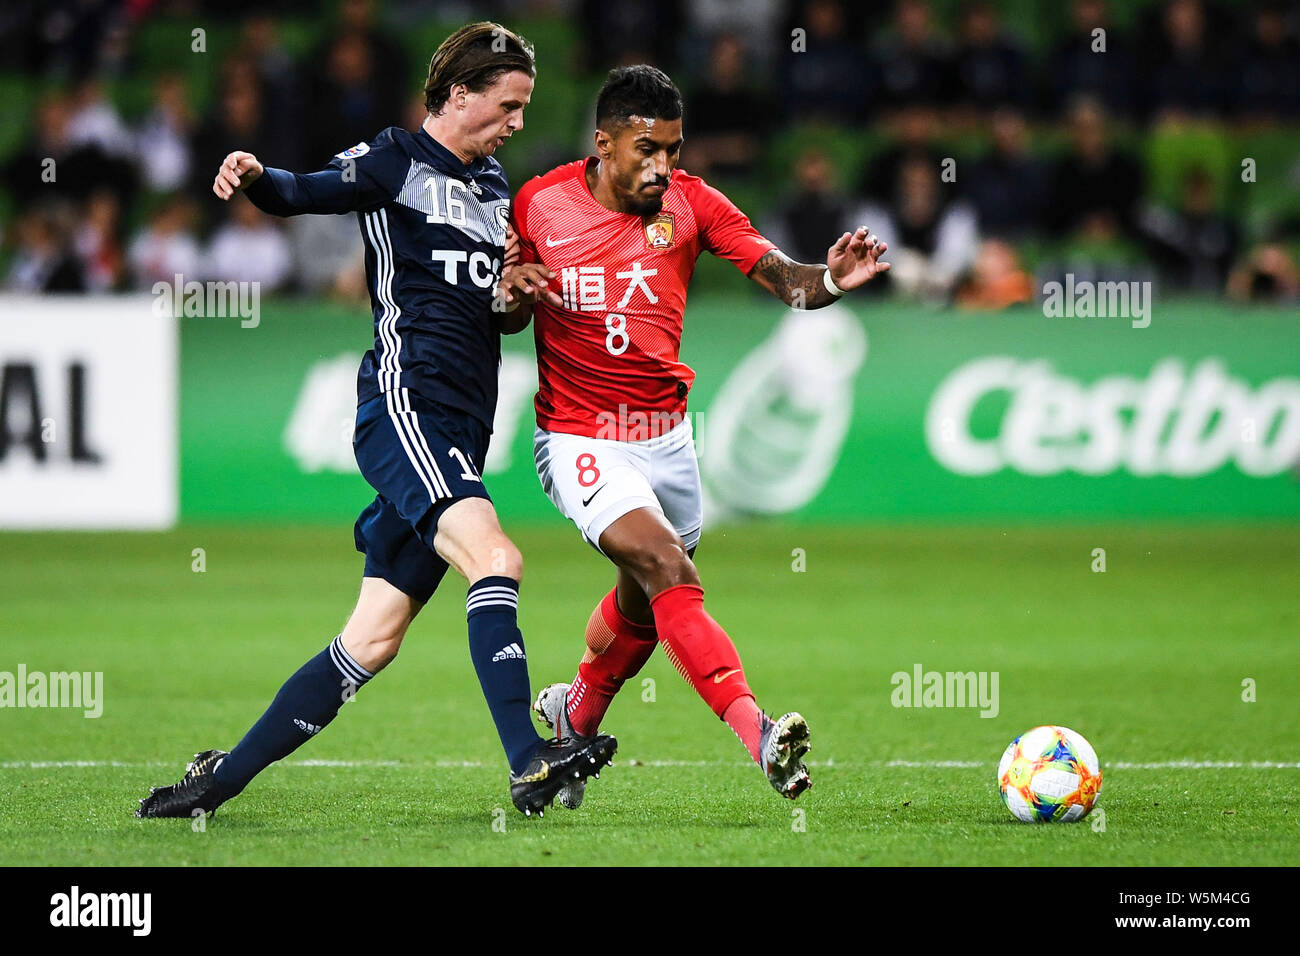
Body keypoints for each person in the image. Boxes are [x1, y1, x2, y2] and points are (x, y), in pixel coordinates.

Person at [137, 22, 615, 823]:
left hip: (459, 424)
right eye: (509, 105)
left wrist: (513, 294)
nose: (518, 123)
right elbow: (302, 191)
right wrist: (255, 174)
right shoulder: (392, 161)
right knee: (494, 556)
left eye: (525, 108)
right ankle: (529, 760)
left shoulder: (495, 187)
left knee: (371, 640)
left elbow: (491, 313)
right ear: (458, 94)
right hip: (408, 405)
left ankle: (217, 781)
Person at [498, 65, 888, 808]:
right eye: (646, 149)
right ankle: (760, 732)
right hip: (579, 436)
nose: (661, 167)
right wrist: (509, 296)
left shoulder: (694, 203)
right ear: (603, 144)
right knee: (665, 564)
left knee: (645, 604)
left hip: (667, 442)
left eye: (672, 150)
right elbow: (513, 312)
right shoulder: (541, 204)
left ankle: (571, 716)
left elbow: (789, 282)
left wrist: (831, 279)